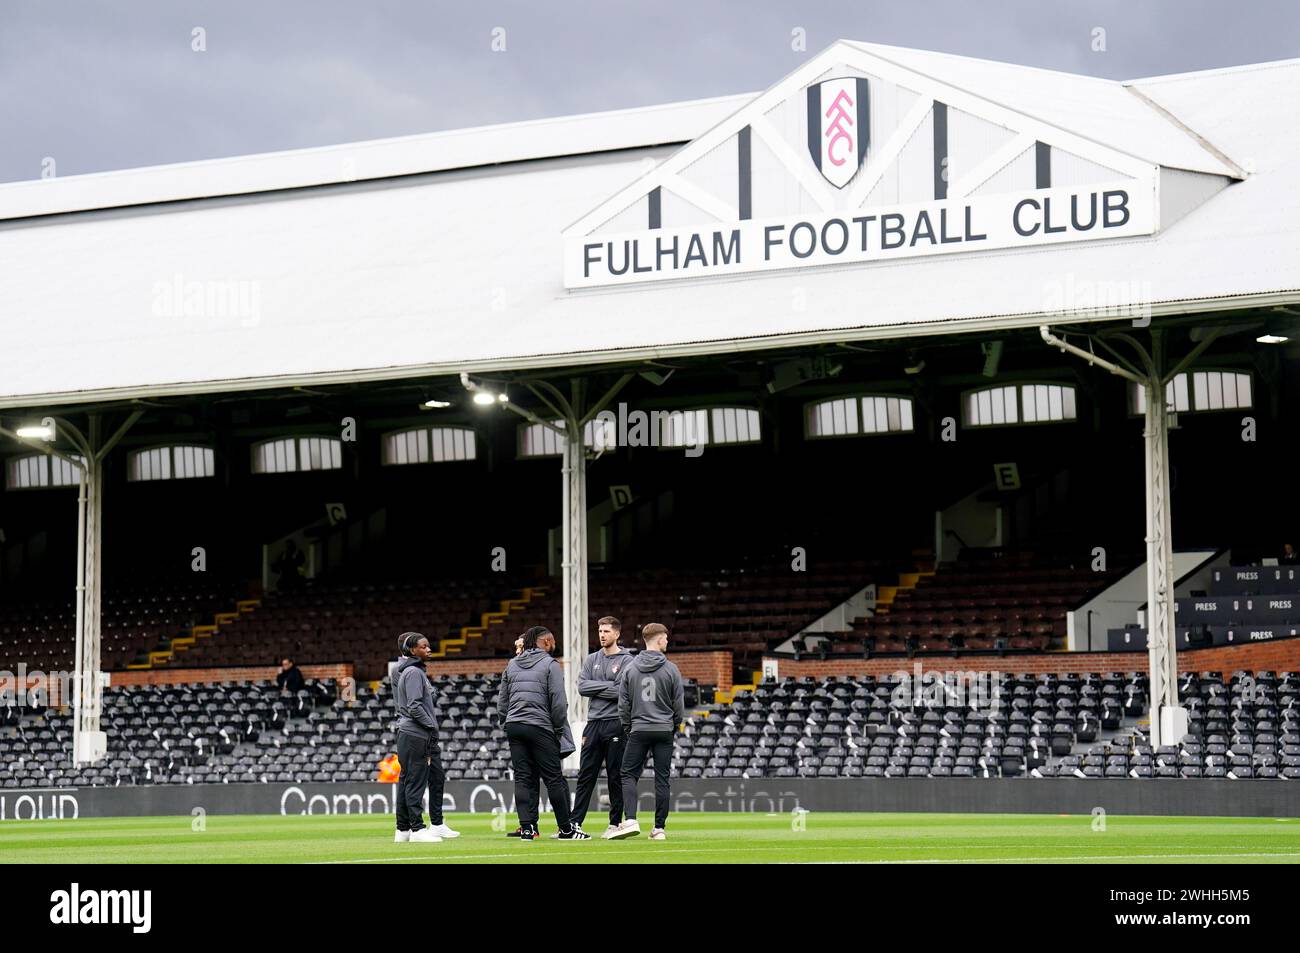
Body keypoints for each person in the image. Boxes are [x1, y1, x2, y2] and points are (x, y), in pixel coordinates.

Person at [498, 625, 586, 840]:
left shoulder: (512, 664)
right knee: (553, 778)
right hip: (540, 726)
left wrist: (507, 723)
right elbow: (558, 702)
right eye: (552, 641)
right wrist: (557, 729)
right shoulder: (550, 664)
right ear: (546, 642)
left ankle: (527, 829)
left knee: (523, 778)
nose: (554, 644)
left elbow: (503, 701)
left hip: (515, 725)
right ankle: (566, 829)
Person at [607, 622, 684, 842]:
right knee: (662, 779)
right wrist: (673, 725)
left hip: (639, 729)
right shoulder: (671, 669)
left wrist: (628, 726)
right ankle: (659, 828)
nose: (667, 641)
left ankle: (630, 819)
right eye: (666, 638)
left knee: (628, 774)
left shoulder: (630, 668)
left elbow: (623, 703)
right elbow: (678, 705)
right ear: (659, 640)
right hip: (663, 730)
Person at [391, 632, 458, 843]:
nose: (429, 649)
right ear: (411, 650)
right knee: (414, 781)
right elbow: (413, 705)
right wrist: (431, 725)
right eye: (424, 646)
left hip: (414, 732)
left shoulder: (413, 671)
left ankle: (406, 830)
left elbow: (422, 699)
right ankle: (416, 829)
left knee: (417, 779)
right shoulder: (410, 672)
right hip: (416, 732)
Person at [570, 616, 631, 837]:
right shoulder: (591, 659)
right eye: (599, 631)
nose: (602, 634)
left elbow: (621, 691)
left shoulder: (627, 660)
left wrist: (597, 687)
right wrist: (607, 687)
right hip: (593, 723)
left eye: (606, 631)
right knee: (586, 774)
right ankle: (574, 823)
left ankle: (614, 823)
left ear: (616, 634)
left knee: (615, 775)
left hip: (616, 723)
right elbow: (582, 687)